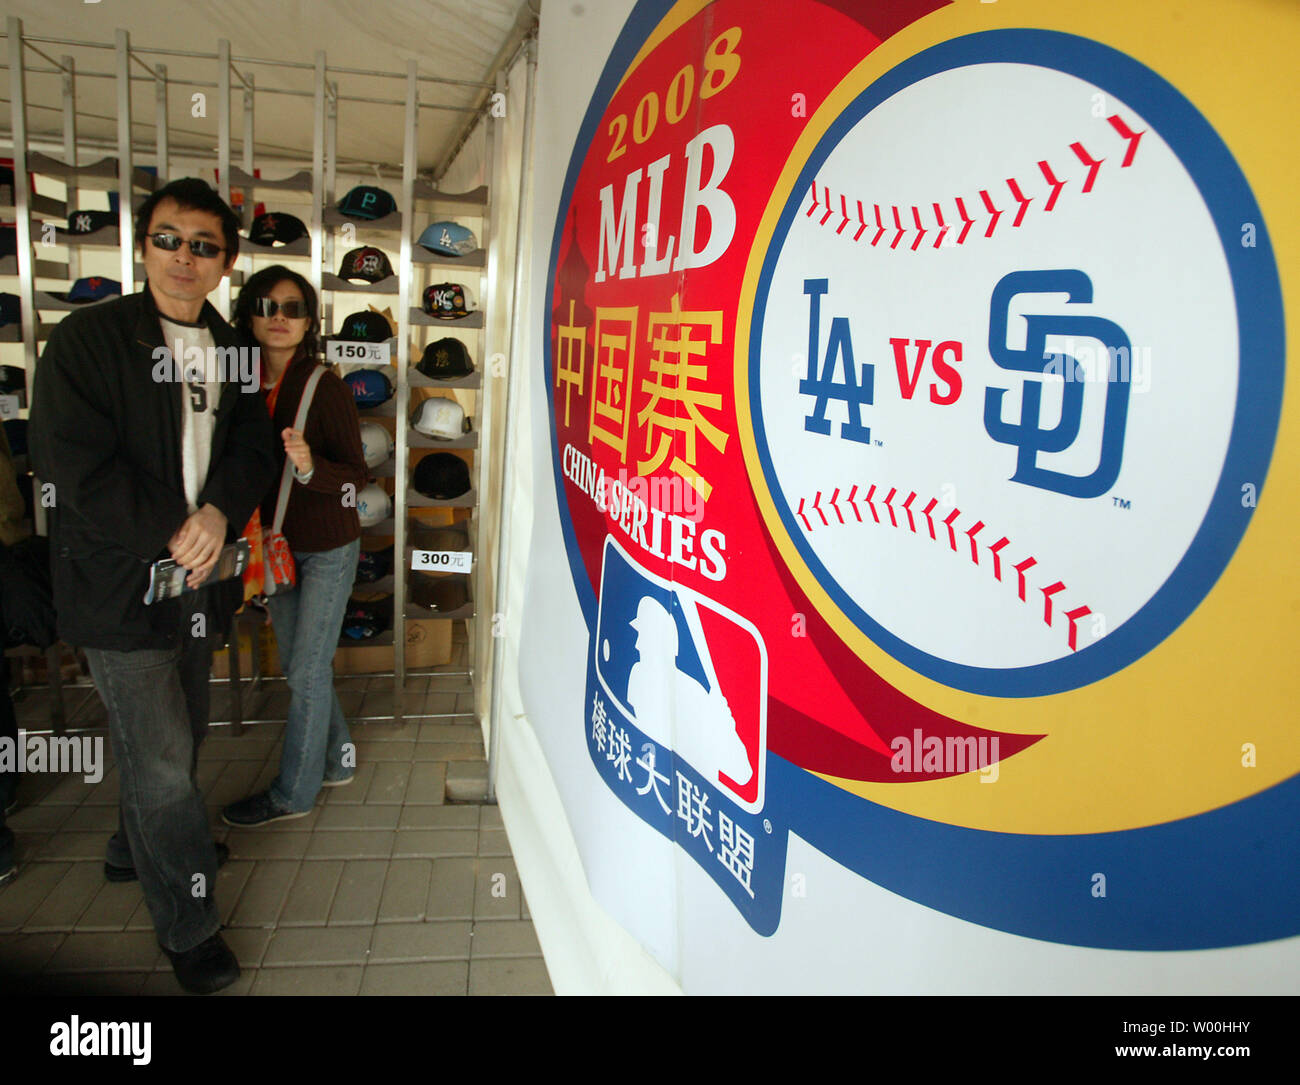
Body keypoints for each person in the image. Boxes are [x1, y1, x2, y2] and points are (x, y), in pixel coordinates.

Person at [28, 177, 277, 993]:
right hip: (117, 587)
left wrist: (217, 512)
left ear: (225, 263)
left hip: (199, 588)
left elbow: (252, 445)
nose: (183, 257)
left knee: (185, 734)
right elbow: (73, 464)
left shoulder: (233, 346)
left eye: (203, 245)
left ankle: (132, 848)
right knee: (166, 762)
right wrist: (179, 530)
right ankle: (189, 921)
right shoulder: (88, 340)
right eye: (169, 238)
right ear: (144, 246)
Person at [221, 266, 367, 827]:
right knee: (299, 670)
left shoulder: (323, 386)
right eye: (266, 305)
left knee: (306, 670)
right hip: (270, 546)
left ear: (309, 322)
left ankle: (293, 794)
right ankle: (337, 759)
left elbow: (357, 479)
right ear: (249, 314)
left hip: (327, 548)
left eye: (292, 308)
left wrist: (310, 469)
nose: (278, 318)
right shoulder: (238, 381)